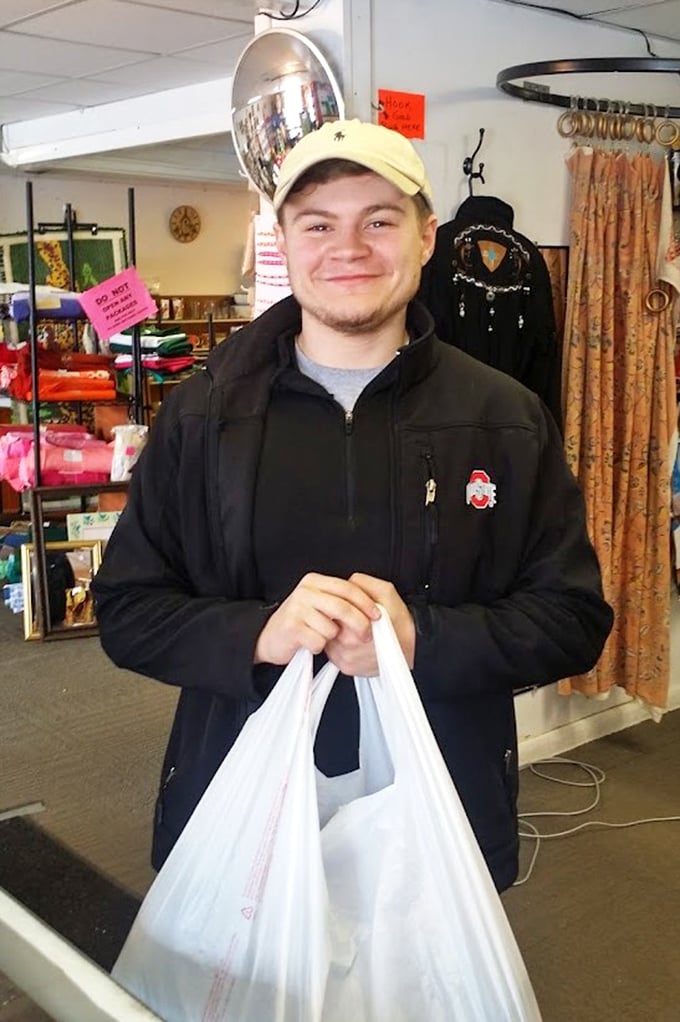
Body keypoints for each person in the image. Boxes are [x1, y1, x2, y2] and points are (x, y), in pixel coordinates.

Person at [92, 119, 613, 893]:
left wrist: (421, 640)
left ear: (426, 237)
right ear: (284, 241)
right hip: (238, 813)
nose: (349, 248)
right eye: (318, 224)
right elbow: (129, 610)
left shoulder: (505, 418)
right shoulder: (204, 416)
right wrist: (258, 633)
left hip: (440, 819)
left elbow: (571, 621)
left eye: (378, 221)